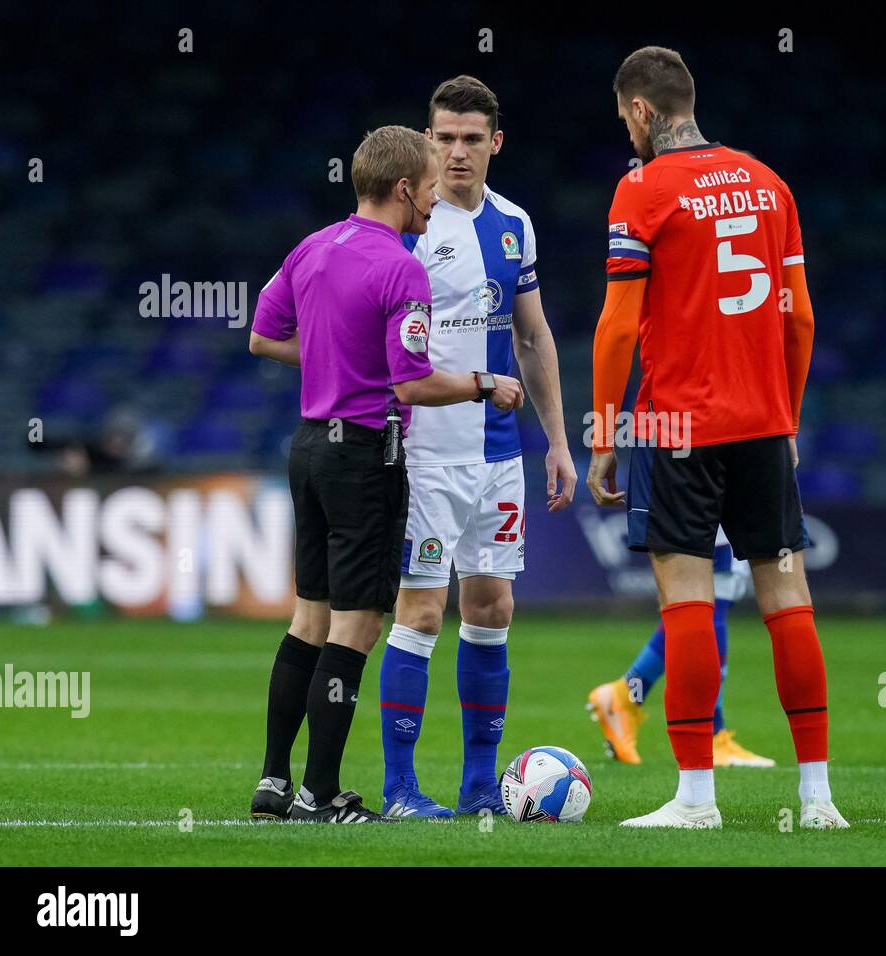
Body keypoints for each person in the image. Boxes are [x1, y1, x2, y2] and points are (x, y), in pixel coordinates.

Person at [585, 46, 847, 829]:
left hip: (677, 425)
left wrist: (604, 431)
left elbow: (619, 324)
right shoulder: (770, 184)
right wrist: (788, 416)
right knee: (788, 603)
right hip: (765, 423)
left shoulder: (642, 187)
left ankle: (696, 800)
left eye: (623, 118)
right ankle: (818, 797)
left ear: (640, 110)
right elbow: (800, 317)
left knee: (688, 604)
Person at [247, 125, 521, 823]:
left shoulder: (315, 245)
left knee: (307, 617)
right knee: (357, 626)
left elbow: (262, 334)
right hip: (364, 457)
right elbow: (412, 384)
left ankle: (275, 782)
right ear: (404, 188)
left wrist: (336, 363)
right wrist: (485, 382)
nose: (434, 203)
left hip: (307, 448)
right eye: (429, 189)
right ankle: (323, 793)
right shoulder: (402, 266)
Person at [377, 76, 574, 818]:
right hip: (427, 452)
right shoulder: (410, 226)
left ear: (496, 142)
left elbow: (531, 334)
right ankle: (399, 789)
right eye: (443, 138)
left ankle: (477, 788)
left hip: (499, 452)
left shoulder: (515, 224)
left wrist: (557, 441)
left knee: (492, 607)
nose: (455, 152)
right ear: (427, 141)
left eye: (469, 139)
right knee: (422, 613)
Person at [586, 530, 776, 768]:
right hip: (709, 502)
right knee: (711, 595)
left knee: (708, 599)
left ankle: (627, 694)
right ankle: (713, 733)